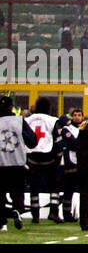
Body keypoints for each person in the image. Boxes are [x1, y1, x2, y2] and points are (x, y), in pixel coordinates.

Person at [0, 95, 37, 231]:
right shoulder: (19, 121)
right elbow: (33, 141)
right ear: (11, 107)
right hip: (17, 163)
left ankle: (2, 222)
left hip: (1, 164)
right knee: (17, 192)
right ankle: (17, 210)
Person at [25, 97, 59, 223]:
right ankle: (54, 212)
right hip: (48, 156)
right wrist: (58, 155)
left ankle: (35, 215)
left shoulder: (27, 120)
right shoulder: (53, 120)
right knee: (54, 186)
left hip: (32, 155)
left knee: (34, 186)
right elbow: (57, 139)